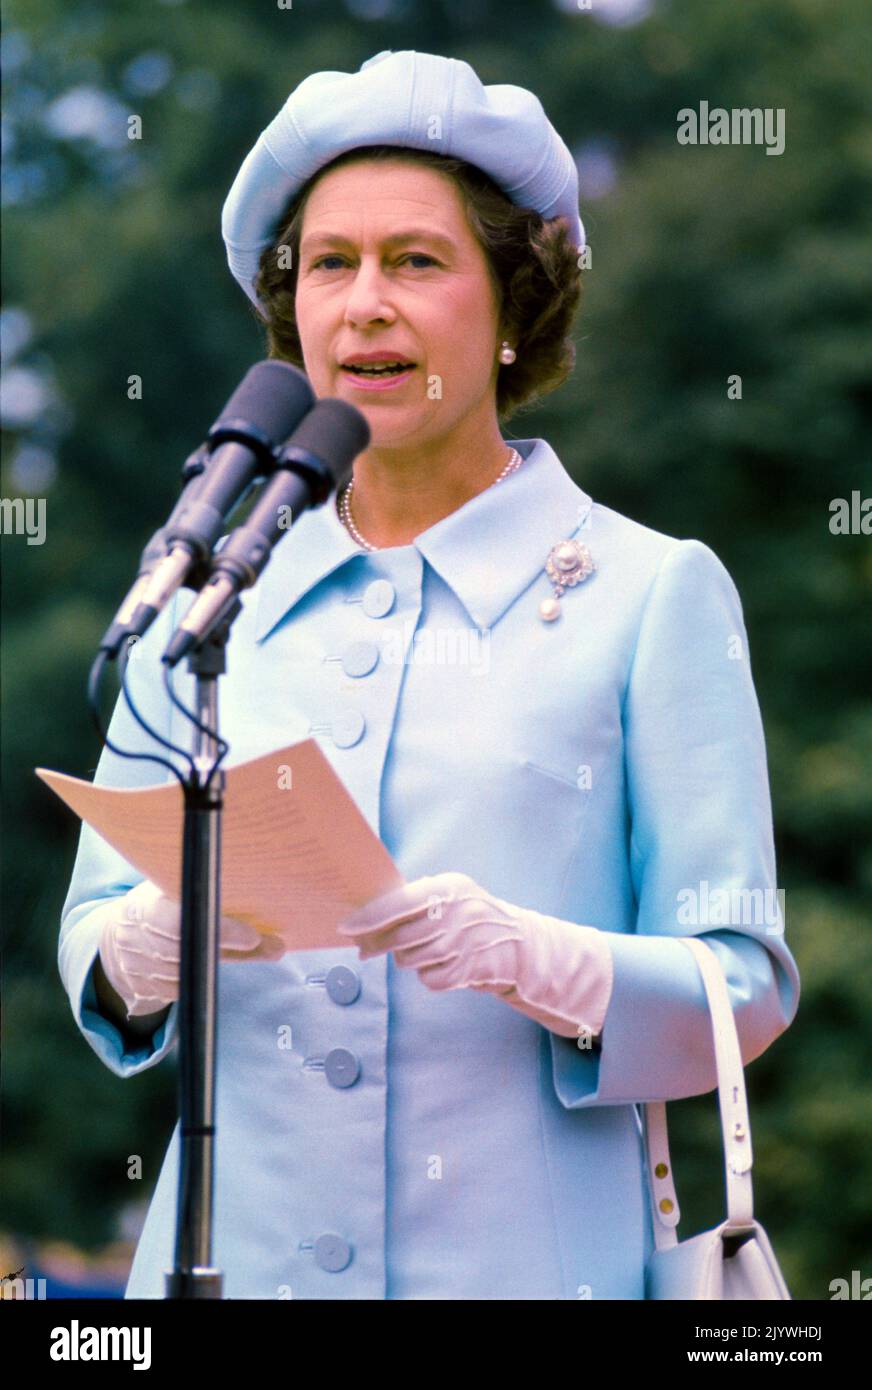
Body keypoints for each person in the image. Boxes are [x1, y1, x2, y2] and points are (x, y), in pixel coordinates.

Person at [58, 49, 801, 1300]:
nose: (363, 307)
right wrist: (146, 944)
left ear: (514, 310)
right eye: (330, 266)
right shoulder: (201, 610)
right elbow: (92, 946)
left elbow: (743, 988)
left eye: (416, 261)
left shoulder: (650, 591)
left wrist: (529, 954)